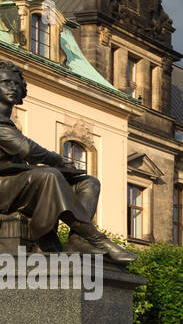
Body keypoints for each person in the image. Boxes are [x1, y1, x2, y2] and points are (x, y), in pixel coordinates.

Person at [0, 58, 134, 263]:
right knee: (49, 175)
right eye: (6, 82)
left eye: (18, 84)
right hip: (3, 186)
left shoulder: (8, 121)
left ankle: (78, 239)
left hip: (14, 184)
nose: (14, 88)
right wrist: (57, 160)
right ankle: (97, 239)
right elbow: (24, 148)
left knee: (88, 183)